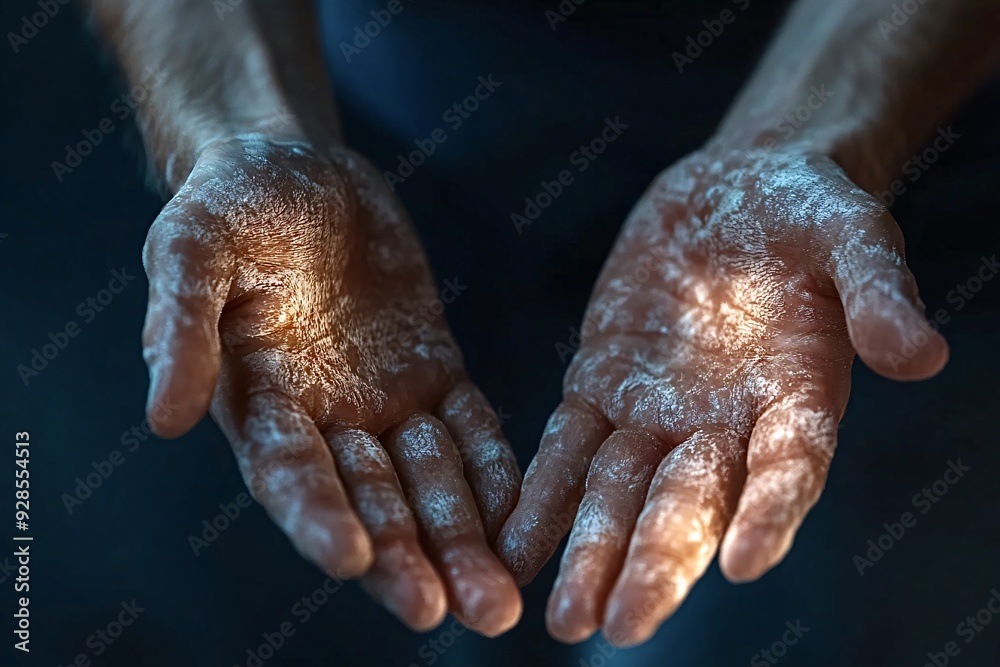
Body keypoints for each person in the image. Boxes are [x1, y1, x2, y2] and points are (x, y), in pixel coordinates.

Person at [85, 0, 1000, 648]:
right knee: (442, 566)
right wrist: (244, 129)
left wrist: (815, 137)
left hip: (840, 201)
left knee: (740, 617)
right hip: (381, 180)